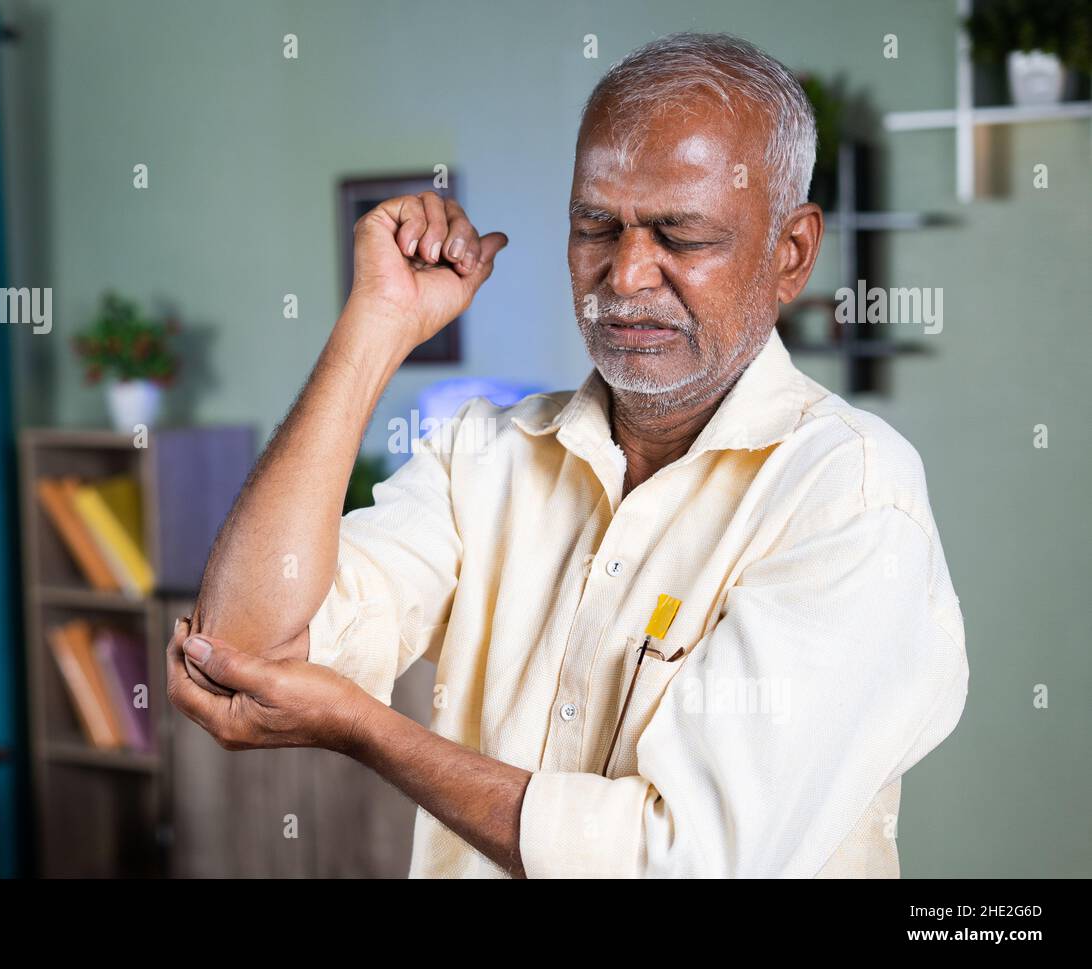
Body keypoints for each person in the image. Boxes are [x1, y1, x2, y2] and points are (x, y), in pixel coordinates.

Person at [167, 32, 968, 878]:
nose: (625, 274)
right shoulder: (484, 456)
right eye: (597, 225)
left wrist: (368, 727)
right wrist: (373, 331)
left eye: (680, 236)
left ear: (791, 254)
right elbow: (242, 651)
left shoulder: (850, 493)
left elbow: (677, 861)